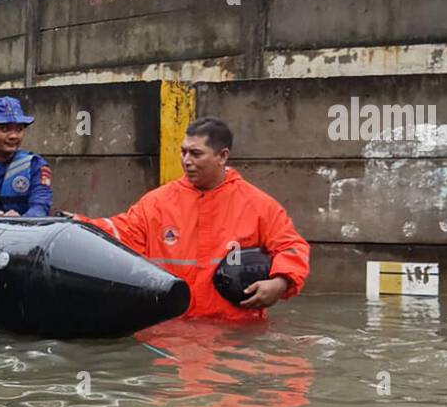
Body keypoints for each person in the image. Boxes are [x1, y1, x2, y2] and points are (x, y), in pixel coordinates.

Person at [72, 118, 310, 320]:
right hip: (171, 328)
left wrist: (279, 283)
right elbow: (121, 232)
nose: (186, 161)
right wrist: (79, 226)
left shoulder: (258, 205)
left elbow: (292, 247)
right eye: (183, 152)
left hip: (235, 332)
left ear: (222, 156)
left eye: (196, 154)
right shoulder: (157, 202)